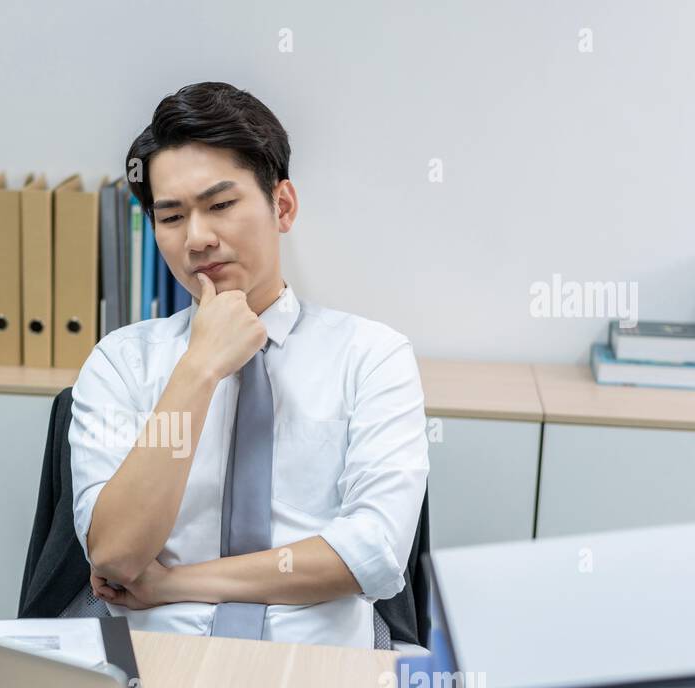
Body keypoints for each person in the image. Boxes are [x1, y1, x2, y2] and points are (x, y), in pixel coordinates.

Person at [69, 81, 428, 647]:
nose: (198, 238)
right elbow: (115, 556)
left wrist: (174, 584)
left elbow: (375, 557)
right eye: (171, 217)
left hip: (313, 665)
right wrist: (200, 369)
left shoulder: (372, 356)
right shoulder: (121, 362)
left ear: (281, 206)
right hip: (158, 661)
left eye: (220, 205)